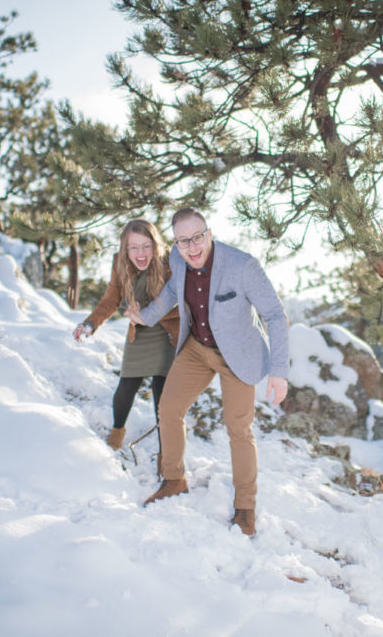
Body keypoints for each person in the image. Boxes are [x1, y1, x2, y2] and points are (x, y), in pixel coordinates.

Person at [126, 207, 289, 537]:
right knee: (169, 409)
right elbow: (173, 292)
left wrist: (279, 370)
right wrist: (147, 316)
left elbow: (274, 314)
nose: (192, 247)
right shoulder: (176, 257)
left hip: (237, 358)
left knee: (238, 429)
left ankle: (245, 509)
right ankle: (174, 480)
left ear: (209, 234)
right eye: (184, 241)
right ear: (175, 243)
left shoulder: (242, 266)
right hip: (197, 348)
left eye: (198, 237)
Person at [74, 219, 180, 454]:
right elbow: (111, 300)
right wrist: (90, 324)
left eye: (146, 246)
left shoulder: (170, 261)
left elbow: (181, 299)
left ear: (155, 244)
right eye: (133, 247)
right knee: (125, 388)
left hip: (167, 335)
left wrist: (148, 314)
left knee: (162, 397)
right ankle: (117, 433)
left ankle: (168, 456)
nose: (140, 253)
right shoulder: (119, 263)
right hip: (139, 334)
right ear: (125, 248)